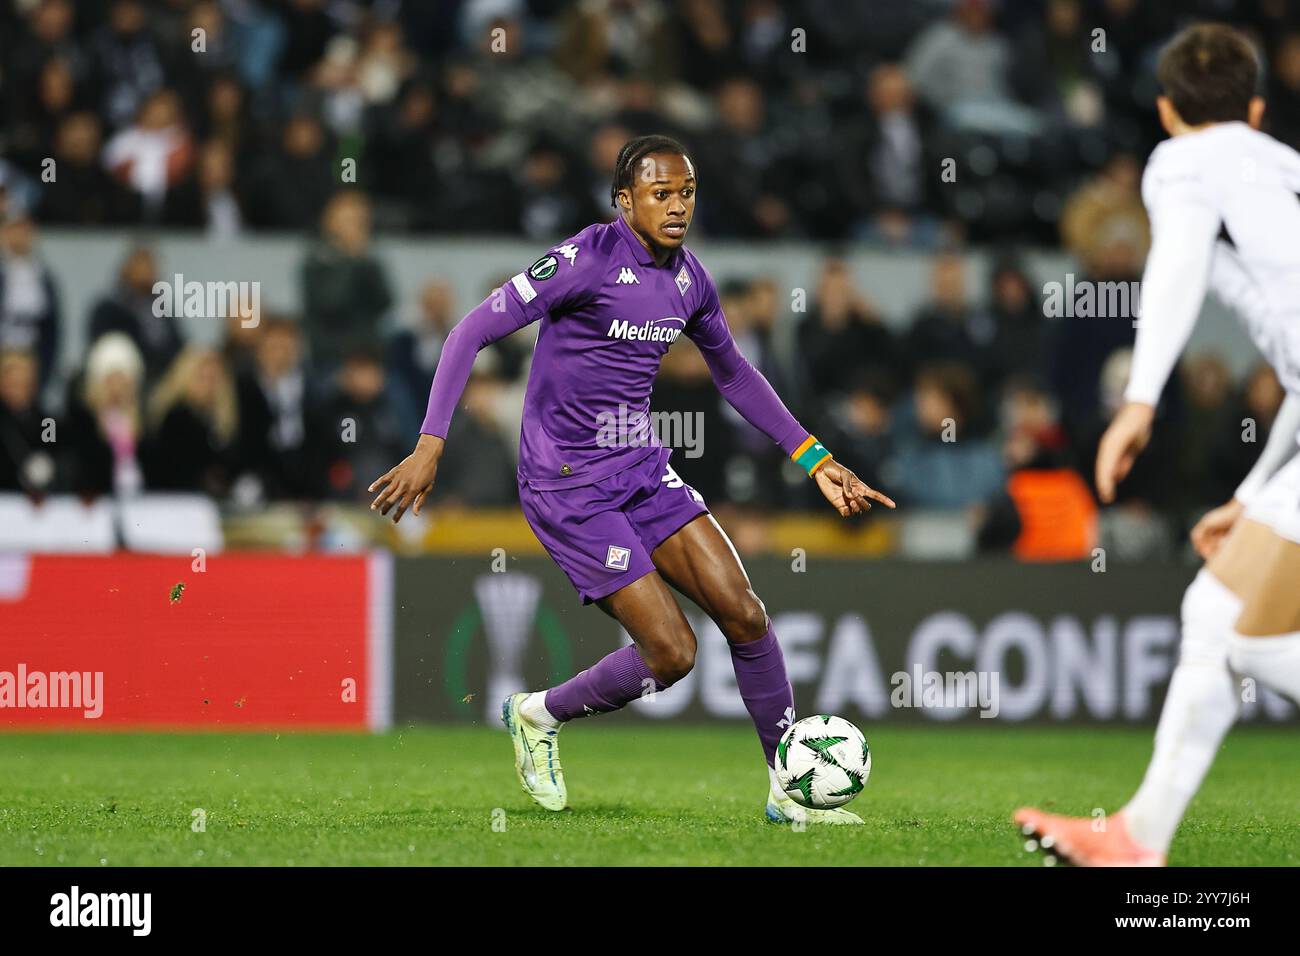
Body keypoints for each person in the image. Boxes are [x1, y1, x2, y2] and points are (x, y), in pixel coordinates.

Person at [368, 134, 894, 825]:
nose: (678, 207)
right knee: (672, 653)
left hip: (641, 469)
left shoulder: (690, 280)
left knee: (745, 613)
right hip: (567, 487)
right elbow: (470, 331)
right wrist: (430, 444)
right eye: (660, 194)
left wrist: (815, 458)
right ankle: (538, 714)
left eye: (687, 193)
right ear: (625, 200)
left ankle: (787, 792)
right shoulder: (582, 260)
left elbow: (733, 371)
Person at [1015, 23, 1300, 866]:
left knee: (1240, 631)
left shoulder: (1186, 160)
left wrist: (1137, 399)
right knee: (1215, 617)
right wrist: (1251, 495)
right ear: (1255, 108)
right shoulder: (1282, 172)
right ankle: (1138, 838)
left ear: (1169, 112)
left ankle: (1137, 837)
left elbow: (1170, 263)